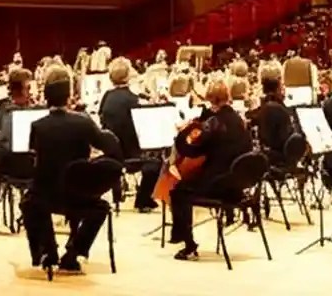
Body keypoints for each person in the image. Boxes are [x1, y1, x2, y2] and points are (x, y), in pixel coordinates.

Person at [21, 65, 120, 273]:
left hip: (47, 196)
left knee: (29, 202)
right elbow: (110, 145)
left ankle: (47, 250)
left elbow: (35, 160)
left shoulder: (38, 126)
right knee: (101, 208)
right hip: (78, 195)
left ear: (46, 96)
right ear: (70, 96)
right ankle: (74, 252)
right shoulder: (83, 122)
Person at [168, 77, 252, 261]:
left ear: (210, 99)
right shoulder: (239, 121)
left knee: (178, 191)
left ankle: (188, 244)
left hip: (219, 185)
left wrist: (182, 133)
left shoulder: (214, 124)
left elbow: (189, 149)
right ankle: (181, 237)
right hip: (238, 183)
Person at [97, 58, 160, 212]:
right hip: (131, 152)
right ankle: (143, 199)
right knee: (157, 163)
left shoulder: (106, 97)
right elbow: (143, 127)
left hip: (111, 151)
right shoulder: (134, 99)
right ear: (128, 76)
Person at [250, 74, 295, 167]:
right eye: (282, 88)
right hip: (280, 154)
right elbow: (286, 136)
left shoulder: (262, 108)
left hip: (267, 153)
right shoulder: (281, 109)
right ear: (277, 90)